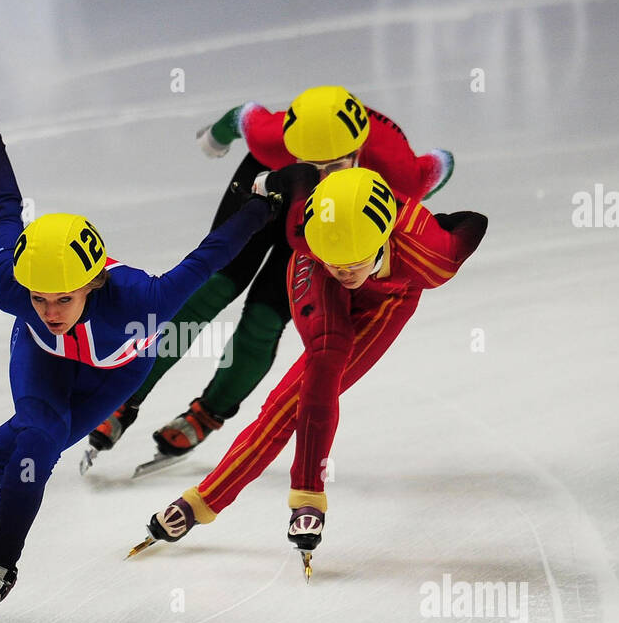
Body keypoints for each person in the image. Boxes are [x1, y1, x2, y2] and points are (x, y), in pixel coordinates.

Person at [0, 94, 314, 623]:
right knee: (22, 448)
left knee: (19, 452)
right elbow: (4, 209)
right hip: (41, 362)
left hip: (116, 373)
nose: (50, 310)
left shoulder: (143, 301)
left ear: (93, 282)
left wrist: (267, 205)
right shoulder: (14, 287)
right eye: (39, 298)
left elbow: (212, 252)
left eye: (63, 299)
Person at [138, 167, 488, 576]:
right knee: (303, 386)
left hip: (390, 300)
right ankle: (207, 502)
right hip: (311, 272)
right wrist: (269, 183)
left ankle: (235, 498)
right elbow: (299, 177)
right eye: (338, 263)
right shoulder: (309, 234)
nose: (346, 273)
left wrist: (435, 224)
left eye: (353, 264)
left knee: (301, 397)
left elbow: (473, 223)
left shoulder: (433, 257)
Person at [88, 85, 454, 469]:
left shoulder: (395, 166)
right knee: (205, 292)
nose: (316, 179)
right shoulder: (271, 137)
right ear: (292, 150)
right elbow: (242, 117)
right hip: (271, 187)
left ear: (359, 154)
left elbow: (437, 167)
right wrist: (217, 135)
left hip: (332, 223)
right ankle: (126, 393)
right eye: (309, 165)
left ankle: (208, 413)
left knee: (264, 318)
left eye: (332, 167)